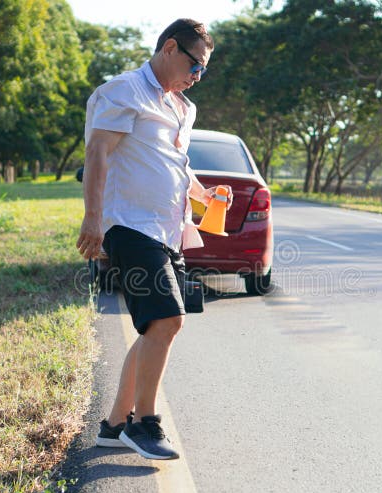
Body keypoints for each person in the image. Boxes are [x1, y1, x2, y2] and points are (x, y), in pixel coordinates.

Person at [76, 19, 230, 461]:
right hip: (128, 226)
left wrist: (205, 195)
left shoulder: (182, 108)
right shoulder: (124, 90)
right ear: (169, 48)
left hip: (167, 233)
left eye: (203, 70)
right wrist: (93, 219)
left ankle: (113, 425)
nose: (198, 76)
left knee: (152, 329)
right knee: (167, 320)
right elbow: (97, 152)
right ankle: (145, 424)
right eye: (195, 65)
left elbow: (175, 165)